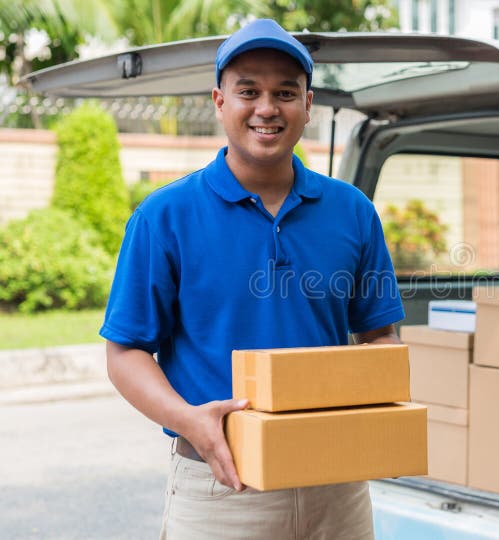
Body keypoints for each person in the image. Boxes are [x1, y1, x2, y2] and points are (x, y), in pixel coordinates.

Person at [100, 18, 404, 539]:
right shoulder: (165, 217)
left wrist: (378, 413)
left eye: (286, 92)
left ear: (308, 105)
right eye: (249, 91)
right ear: (220, 101)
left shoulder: (353, 212)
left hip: (337, 486)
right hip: (223, 487)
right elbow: (124, 352)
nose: (268, 108)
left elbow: (379, 334)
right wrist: (191, 418)